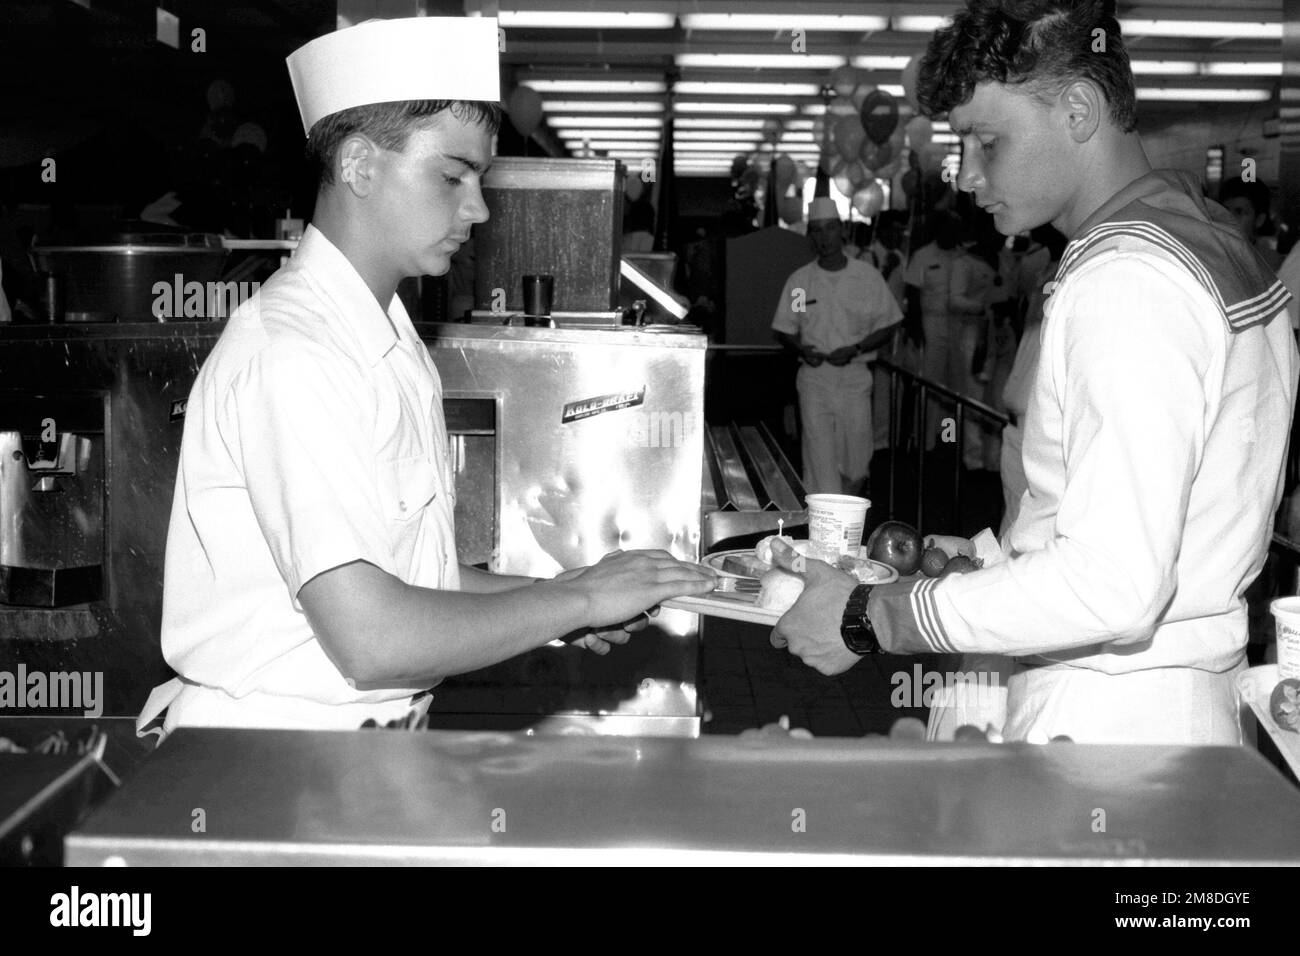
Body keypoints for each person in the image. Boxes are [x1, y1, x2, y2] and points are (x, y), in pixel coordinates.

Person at [136, 17, 715, 736]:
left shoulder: (389, 336)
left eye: (481, 179)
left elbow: (418, 574)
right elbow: (373, 638)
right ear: (359, 165)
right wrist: (579, 603)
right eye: (451, 176)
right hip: (274, 752)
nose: (477, 209)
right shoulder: (294, 351)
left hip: (362, 748)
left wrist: (555, 598)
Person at [767, 0, 1298, 745]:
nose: (967, 175)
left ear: (1078, 110)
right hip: (1166, 698)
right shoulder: (1202, 241)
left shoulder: (1128, 280)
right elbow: (1157, 506)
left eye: (988, 141)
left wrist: (874, 617)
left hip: (1107, 715)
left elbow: (1113, 583)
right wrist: (986, 561)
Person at [772, 196, 903, 496]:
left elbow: (890, 321)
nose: (823, 237)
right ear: (810, 236)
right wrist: (802, 349)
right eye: (816, 230)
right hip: (815, 380)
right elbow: (784, 328)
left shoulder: (866, 278)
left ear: (842, 230)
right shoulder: (801, 282)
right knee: (820, 460)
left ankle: (848, 516)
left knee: (857, 462)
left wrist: (856, 348)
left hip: (855, 378)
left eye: (829, 228)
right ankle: (823, 531)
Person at [998, 223, 1067, 536]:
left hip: (1039, 414)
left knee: (1027, 524)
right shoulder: (1043, 267)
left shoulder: (1074, 274)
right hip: (1018, 410)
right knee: (1013, 515)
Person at [903, 212, 965, 449]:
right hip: (932, 322)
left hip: (957, 323)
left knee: (953, 384)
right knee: (931, 382)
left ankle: (947, 437)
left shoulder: (961, 255)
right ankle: (924, 441)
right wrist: (916, 328)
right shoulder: (923, 255)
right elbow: (912, 293)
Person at [1219, 176, 1284, 272]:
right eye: (1224, 210)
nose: (1228, 217)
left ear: (1259, 220)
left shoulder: (1270, 263)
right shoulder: (1207, 253)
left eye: (1239, 212)